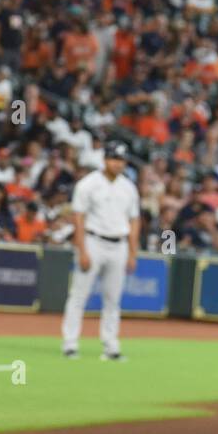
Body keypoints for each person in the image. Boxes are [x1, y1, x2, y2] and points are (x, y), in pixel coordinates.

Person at [61, 139, 140, 361]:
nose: (118, 163)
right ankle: (70, 343)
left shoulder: (129, 187)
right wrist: (82, 250)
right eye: (114, 158)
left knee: (113, 299)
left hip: (119, 244)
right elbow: (78, 218)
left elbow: (134, 220)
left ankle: (111, 345)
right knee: (79, 295)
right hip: (93, 241)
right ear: (105, 159)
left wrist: (133, 252)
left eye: (121, 160)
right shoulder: (88, 183)